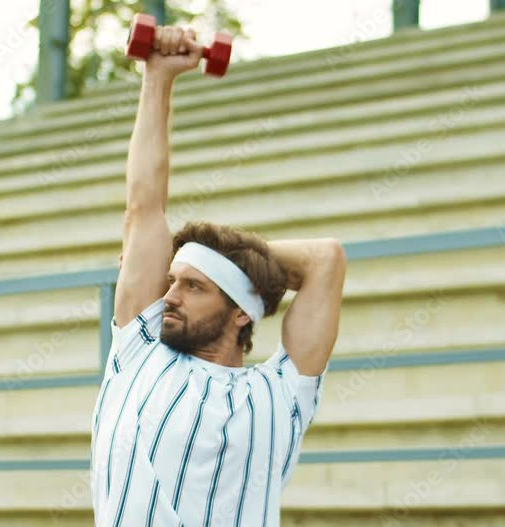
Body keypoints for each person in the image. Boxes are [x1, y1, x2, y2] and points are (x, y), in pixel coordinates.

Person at [90, 23, 347, 526]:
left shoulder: (279, 395)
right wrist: (158, 75)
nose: (171, 295)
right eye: (170, 279)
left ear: (239, 314)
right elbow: (145, 204)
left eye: (194, 285)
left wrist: (229, 257)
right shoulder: (140, 351)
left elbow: (326, 259)